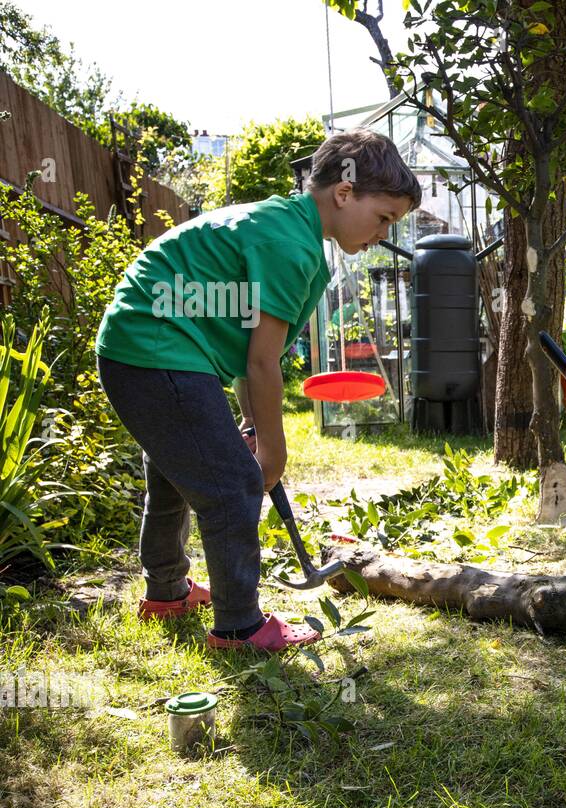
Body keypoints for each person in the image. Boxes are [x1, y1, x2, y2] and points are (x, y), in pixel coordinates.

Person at [95, 128, 420, 651]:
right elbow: (264, 362)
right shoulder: (292, 247)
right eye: (383, 217)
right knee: (233, 487)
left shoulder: (282, 222)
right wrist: (272, 450)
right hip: (156, 349)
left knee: (174, 473)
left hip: (139, 346)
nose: (383, 233)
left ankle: (167, 592)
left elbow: (252, 353)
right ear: (343, 193)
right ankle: (240, 627)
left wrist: (250, 422)